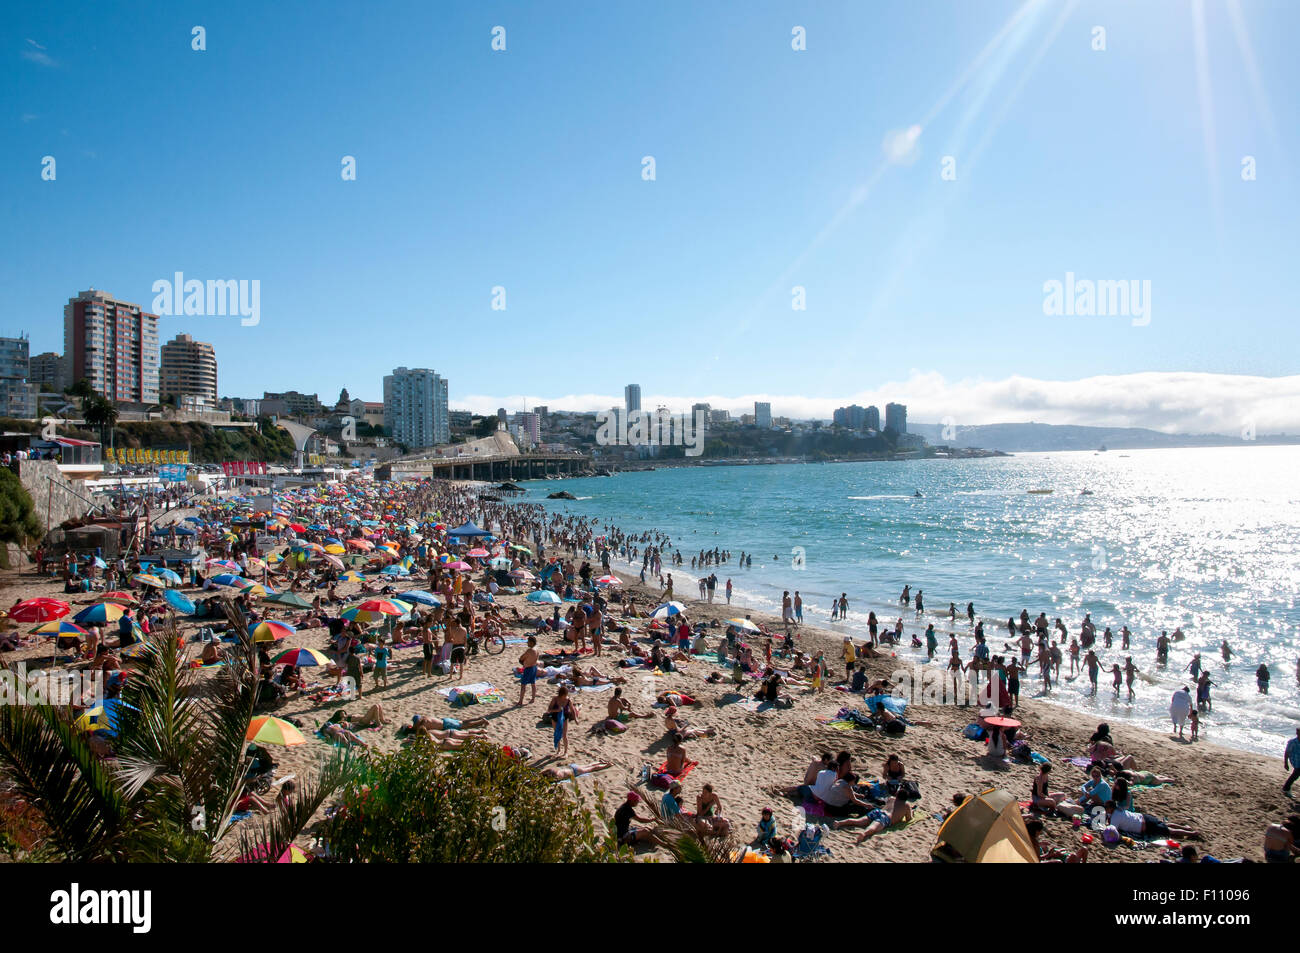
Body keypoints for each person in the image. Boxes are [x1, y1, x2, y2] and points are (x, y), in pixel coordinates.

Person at [1104, 801, 1201, 841]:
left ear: (1110, 808)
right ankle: (1185, 828)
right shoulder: (1118, 810)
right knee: (1165, 824)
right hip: (1144, 818)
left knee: (1170, 831)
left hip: (1145, 825)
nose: (1105, 810)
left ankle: (1192, 833)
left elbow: (1112, 830)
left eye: (1106, 808)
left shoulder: (1115, 817)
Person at [517, 635, 539, 705]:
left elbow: (522, 657)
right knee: (533, 683)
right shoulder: (537, 649)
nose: (527, 643)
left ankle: (520, 701)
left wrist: (522, 661)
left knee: (523, 685)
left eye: (528, 642)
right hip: (534, 667)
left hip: (528, 668)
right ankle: (533, 699)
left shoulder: (530, 650)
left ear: (532, 642)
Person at [1283, 728, 1300, 795]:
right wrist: (1286, 763)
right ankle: (1286, 788)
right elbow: (1287, 753)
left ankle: (1286, 788)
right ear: (1297, 733)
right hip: (1295, 760)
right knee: (1296, 774)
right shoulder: (1292, 742)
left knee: (1296, 775)